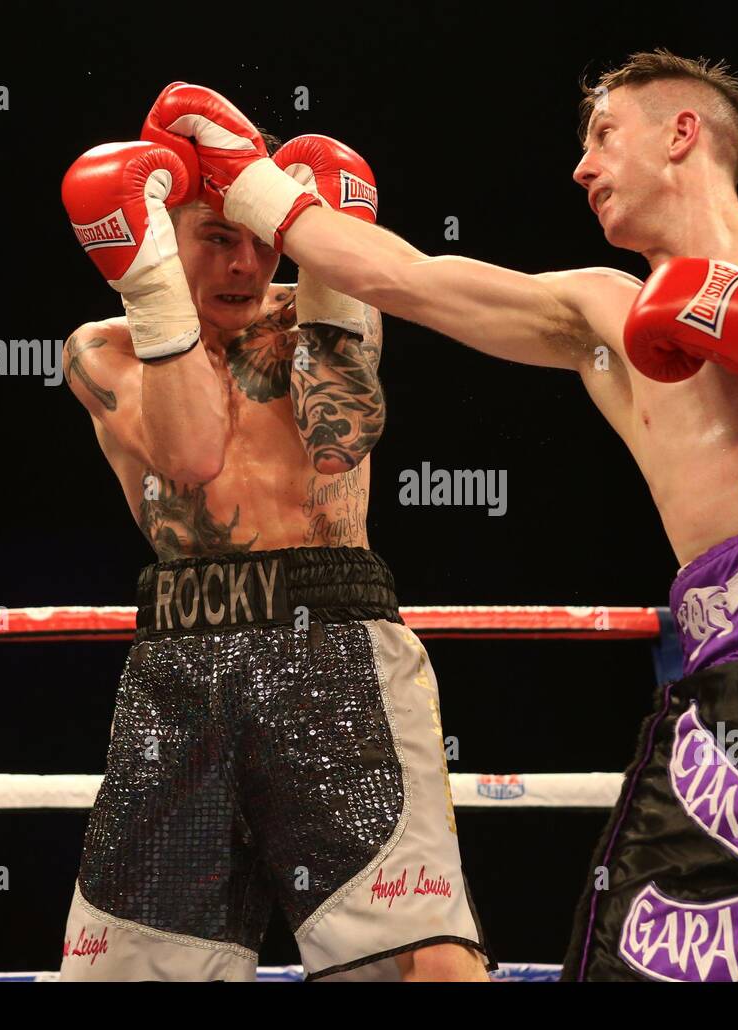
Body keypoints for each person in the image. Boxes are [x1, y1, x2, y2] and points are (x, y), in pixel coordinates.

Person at [167, 54, 738, 981]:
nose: (581, 167)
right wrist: (241, 175)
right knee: (637, 965)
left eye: (603, 136)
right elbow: (404, 277)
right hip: (725, 686)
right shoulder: (597, 311)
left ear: (681, 134)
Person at [54, 83, 491, 981]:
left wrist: (322, 252)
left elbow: (341, 440)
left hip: (332, 638)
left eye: (264, 239)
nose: (247, 265)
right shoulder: (104, 348)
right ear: (161, 231)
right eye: (218, 237)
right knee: (132, 974)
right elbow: (191, 454)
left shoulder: (320, 310)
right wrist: (148, 285)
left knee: (423, 964)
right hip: (181, 660)